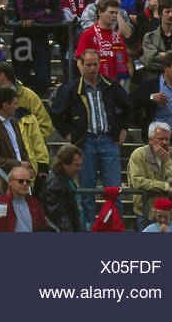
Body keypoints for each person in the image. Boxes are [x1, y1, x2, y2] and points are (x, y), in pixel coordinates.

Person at [50, 49, 131, 224]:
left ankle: (116, 226)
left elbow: (128, 106)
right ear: (81, 65)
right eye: (88, 65)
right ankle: (87, 227)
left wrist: (123, 128)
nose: (92, 69)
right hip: (85, 142)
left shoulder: (109, 84)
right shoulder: (71, 88)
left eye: (95, 64)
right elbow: (55, 112)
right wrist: (68, 134)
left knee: (114, 191)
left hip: (109, 141)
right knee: (87, 191)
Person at [0, 161, 48, 232]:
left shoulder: (34, 204)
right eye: (21, 181)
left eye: (28, 181)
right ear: (10, 182)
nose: (25, 184)